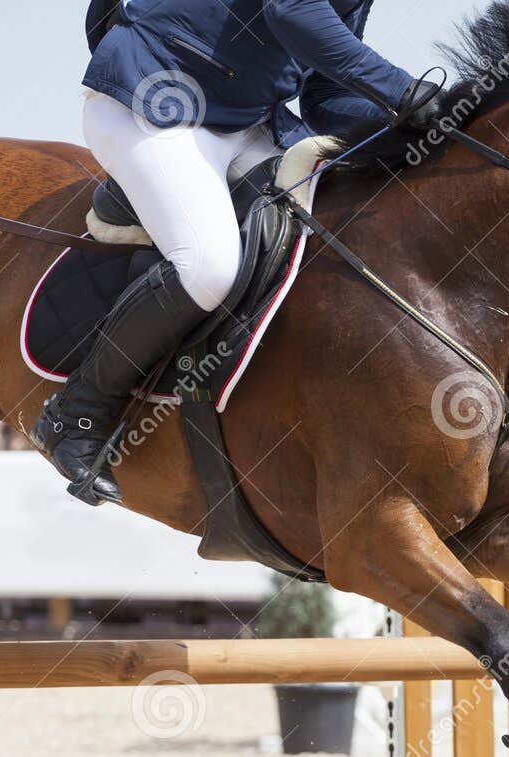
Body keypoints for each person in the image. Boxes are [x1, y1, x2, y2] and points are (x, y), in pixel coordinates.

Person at [39, 1, 445, 505]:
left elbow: (326, 91)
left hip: (247, 121)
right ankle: (77, 412)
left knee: (342, 227)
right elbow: (292, 10)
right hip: (155, 97)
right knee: (209, 268)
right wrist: (402, 89)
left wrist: (410, 117)